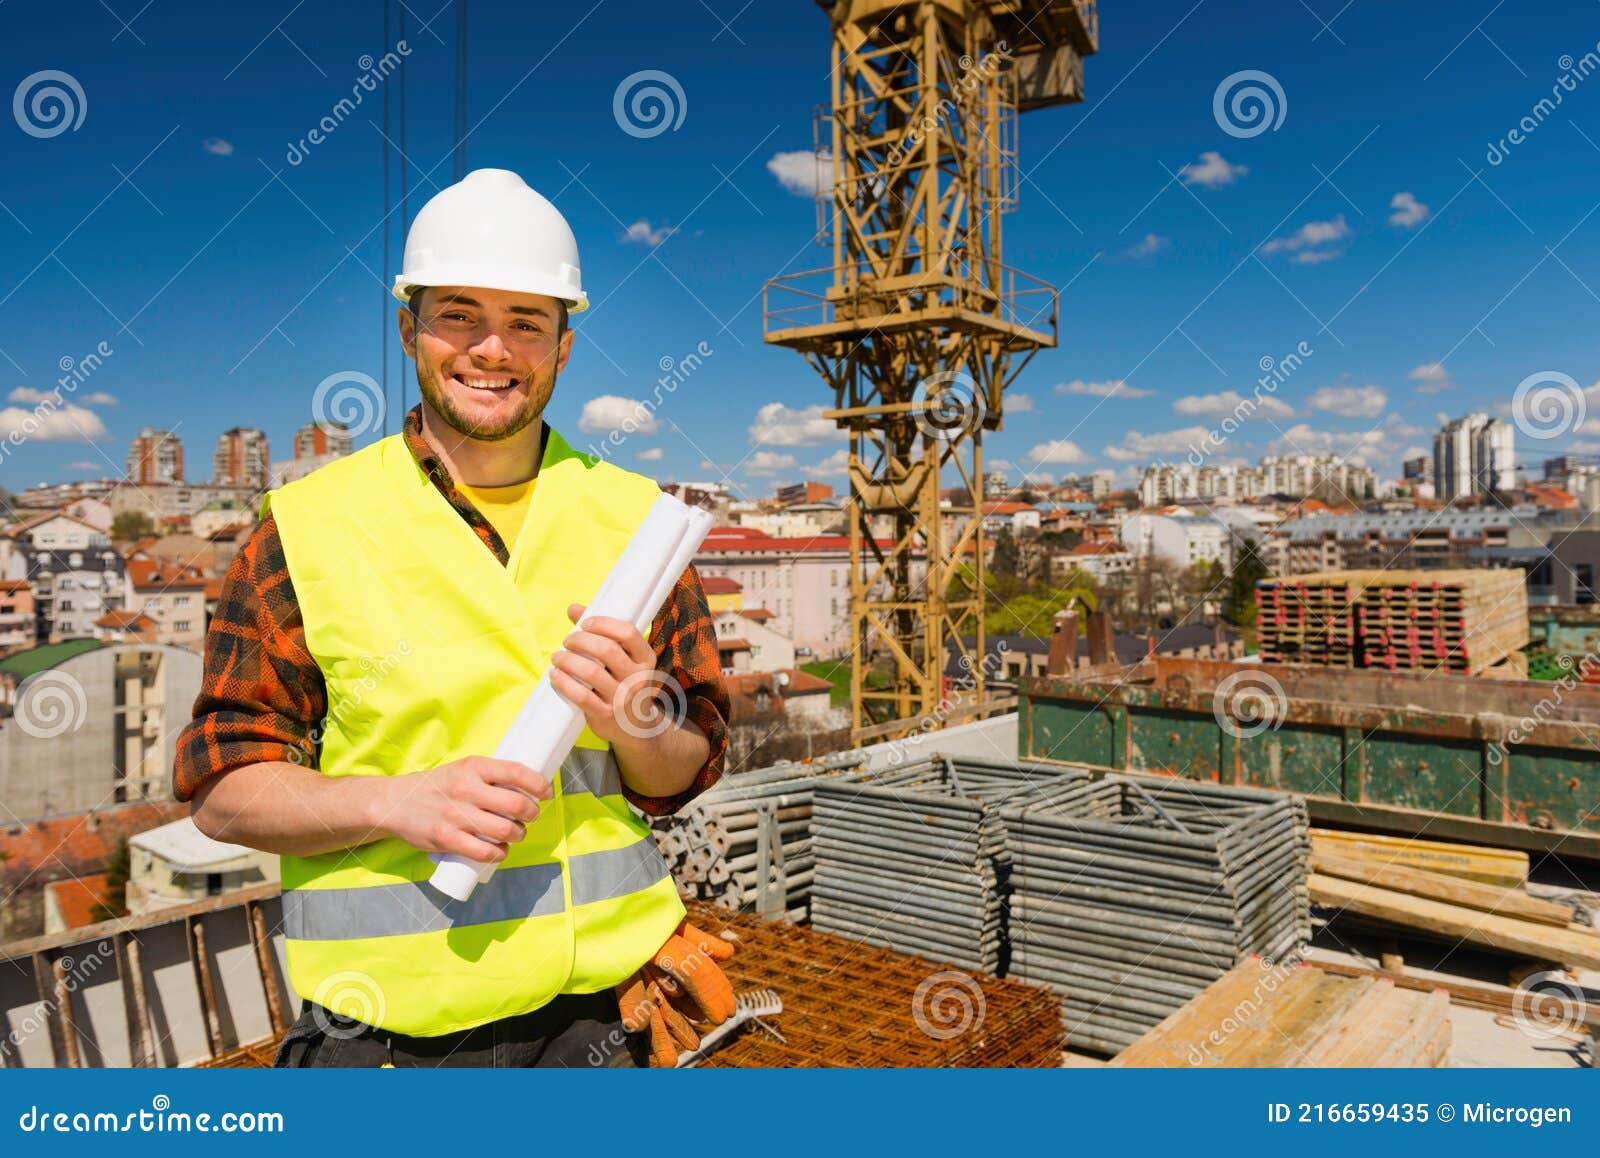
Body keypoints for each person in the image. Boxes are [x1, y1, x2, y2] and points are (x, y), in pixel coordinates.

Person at [174, 168, 733, 1068]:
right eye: (459, 314)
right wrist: (396, 803)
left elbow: (684, 767)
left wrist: (637, 718)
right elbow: (222, 792)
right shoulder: (304, 532)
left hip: (608, 1019)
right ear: (408, 329)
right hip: (390, 1036)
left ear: (563, 347)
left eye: (526, 322)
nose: (491, 349)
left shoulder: (639, 525)